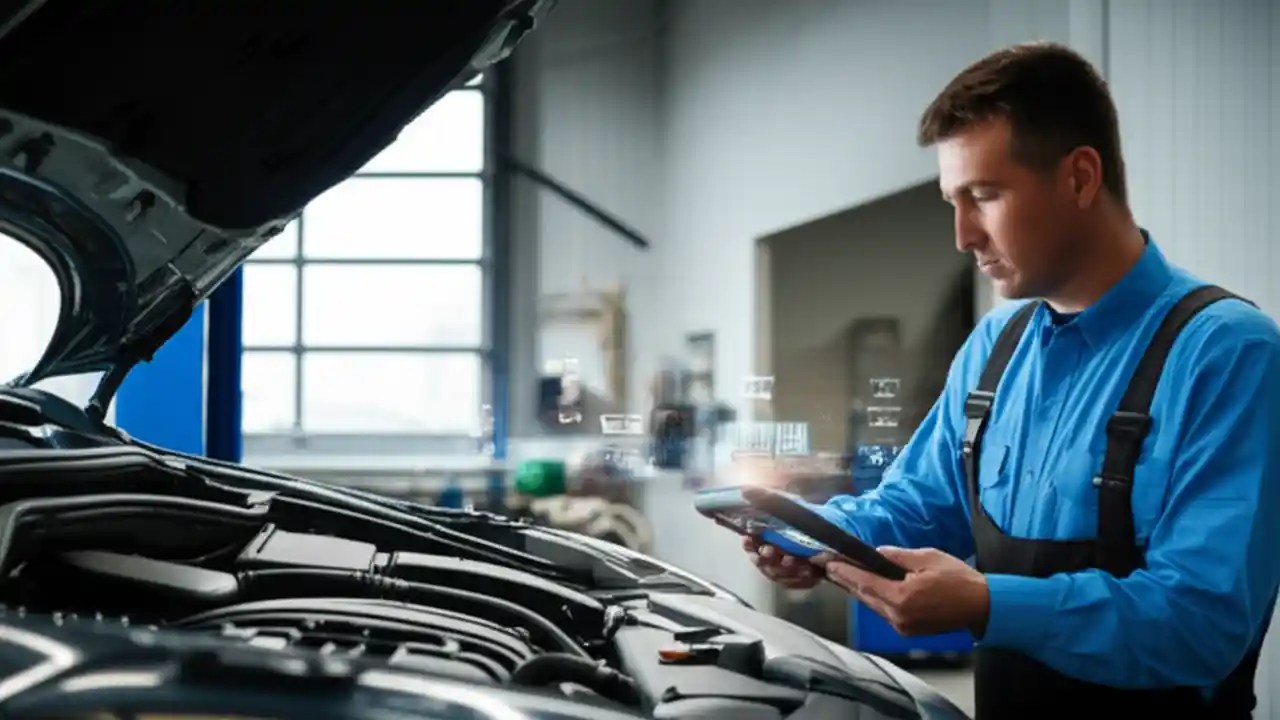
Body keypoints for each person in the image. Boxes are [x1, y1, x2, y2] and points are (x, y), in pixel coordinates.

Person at [744, 41, 1280, 718]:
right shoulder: (995, 348)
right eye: (952, 201)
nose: (963, 235)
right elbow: (913, 507)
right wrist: (812, 533)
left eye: (984, 195)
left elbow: (1202, 622)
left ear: (1081, 178)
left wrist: (988, 604)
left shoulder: (1226, 352)